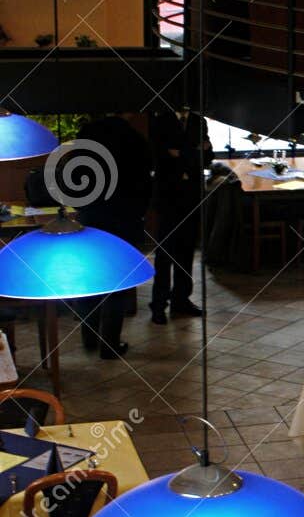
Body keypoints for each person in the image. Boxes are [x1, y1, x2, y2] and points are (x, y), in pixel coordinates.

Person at [75, 113, 152, 360]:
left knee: (89, 279)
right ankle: (109, 344)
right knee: (117, 283)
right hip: (124, 217)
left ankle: (88, 337)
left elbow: (75, 177)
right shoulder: (132, 138)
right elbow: (146, 175)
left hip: (91, 215)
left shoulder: (86, 135)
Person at [148, 107, 210, 323]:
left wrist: (181, 153)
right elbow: (159, 157)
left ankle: (181, 299)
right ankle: (158, 305)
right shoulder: (159, 120)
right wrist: (193, 151)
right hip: (167, 197)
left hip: (191, 196)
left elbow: (208, 157)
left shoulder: (198, 121)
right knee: (165, 253)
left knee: (186, 250)